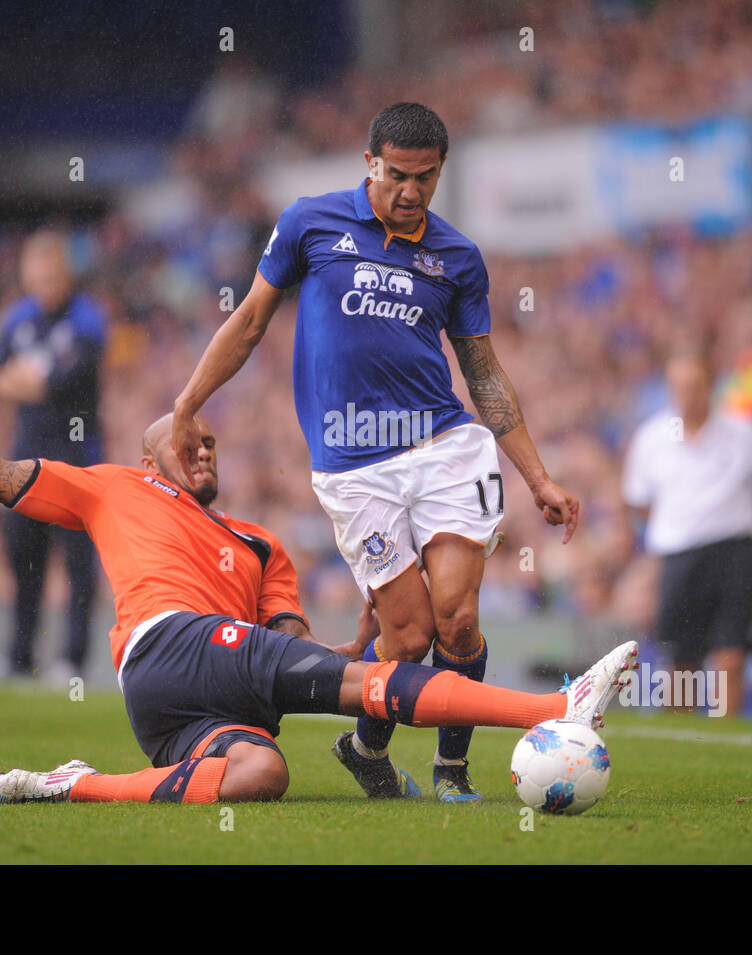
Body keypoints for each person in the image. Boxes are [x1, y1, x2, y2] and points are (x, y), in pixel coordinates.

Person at [0, 288, 637, 805]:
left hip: (196, 704)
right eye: (185, 441)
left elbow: (303, 659)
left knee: (261, 774)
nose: (201, 448)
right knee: (364, 688)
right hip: (166, 646)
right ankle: (555, 703)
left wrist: (360, 641)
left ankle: (74, 784)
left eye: (208, 441)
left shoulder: (261, 545)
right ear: (150, 461)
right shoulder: (112, 486)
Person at [170, 102, 581, 802]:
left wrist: (536, 475)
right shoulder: (310, 223)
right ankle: (366, 749)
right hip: (354, 465)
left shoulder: (457, 257)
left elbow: (482, 372)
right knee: (411, 635)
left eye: (425, 177)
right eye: (397, 174)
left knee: (457, 616)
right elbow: (248, 320)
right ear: (370, 164)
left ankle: (452, 770)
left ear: (441, 171)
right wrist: (186, 405)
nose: (411, 190)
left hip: (446, 445)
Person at [622, 345, 752, 716]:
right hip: (679, 556)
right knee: (681, 659)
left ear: (711, 385)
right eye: (679, 387)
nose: (687, 395)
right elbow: (636, 501)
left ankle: (728, 738)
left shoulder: (744, 431)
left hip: (734, 551)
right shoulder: (652, 438)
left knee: (733, 654)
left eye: (695, 385)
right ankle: (684, 739)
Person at [0, 229, 106, 684]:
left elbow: (65, 381)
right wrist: (37, 382)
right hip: (25, 460)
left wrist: (34, 382)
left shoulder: (88, 318)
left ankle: (72, 660)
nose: (43, 283)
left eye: (51, 273)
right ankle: (18, 655)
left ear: (65, 271)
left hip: (77, 457)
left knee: (78, 561)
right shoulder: (19, 317)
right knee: (23, 556)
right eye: (35, 275)